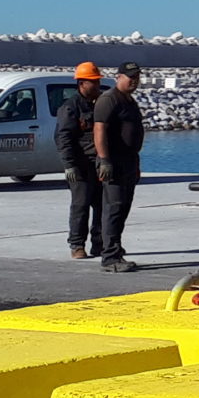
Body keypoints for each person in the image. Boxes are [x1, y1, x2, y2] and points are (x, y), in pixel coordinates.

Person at [91, 62, 146, 272]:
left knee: (123, 208)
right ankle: (110, 257)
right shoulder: (109, 99)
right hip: (113, 161)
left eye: (137, 77)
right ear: (119, 76)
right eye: (130, 77)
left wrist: (136, 162)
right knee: (113, 208)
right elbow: (99, 131)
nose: (134, 81)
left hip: (128, 162)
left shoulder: (129, 100)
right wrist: (104, 159)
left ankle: (115, 250)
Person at [55, 62, 104, 260]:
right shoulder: (70, 107)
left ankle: (100, 245)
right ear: (82, 83)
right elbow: (63, 138)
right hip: (80, 166)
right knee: (80, 205)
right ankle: (77, 245)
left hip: (99, 164)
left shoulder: (100, 104)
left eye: (98, 81)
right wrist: (69, 165)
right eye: (93, 82)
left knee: (102, 206)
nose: (97, 85)